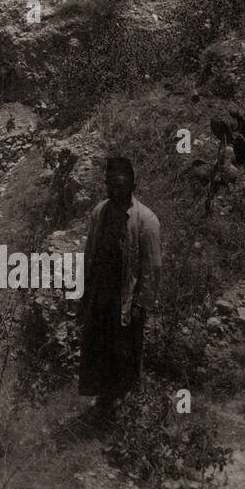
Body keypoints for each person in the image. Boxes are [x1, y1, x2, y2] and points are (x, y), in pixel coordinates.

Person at [78, 156, 161, 423]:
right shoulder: (100, 212)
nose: (115, 188)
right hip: (101, 294)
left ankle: (125, 410)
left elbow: (152, 268)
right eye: (110, 182)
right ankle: (104, 403)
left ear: (132, 184)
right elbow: (90, 253)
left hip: (126, 299)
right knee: (99, 347)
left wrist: (141, 305)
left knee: (125, 352)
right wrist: (85, 293)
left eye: (121, 182)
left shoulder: (146, 221)